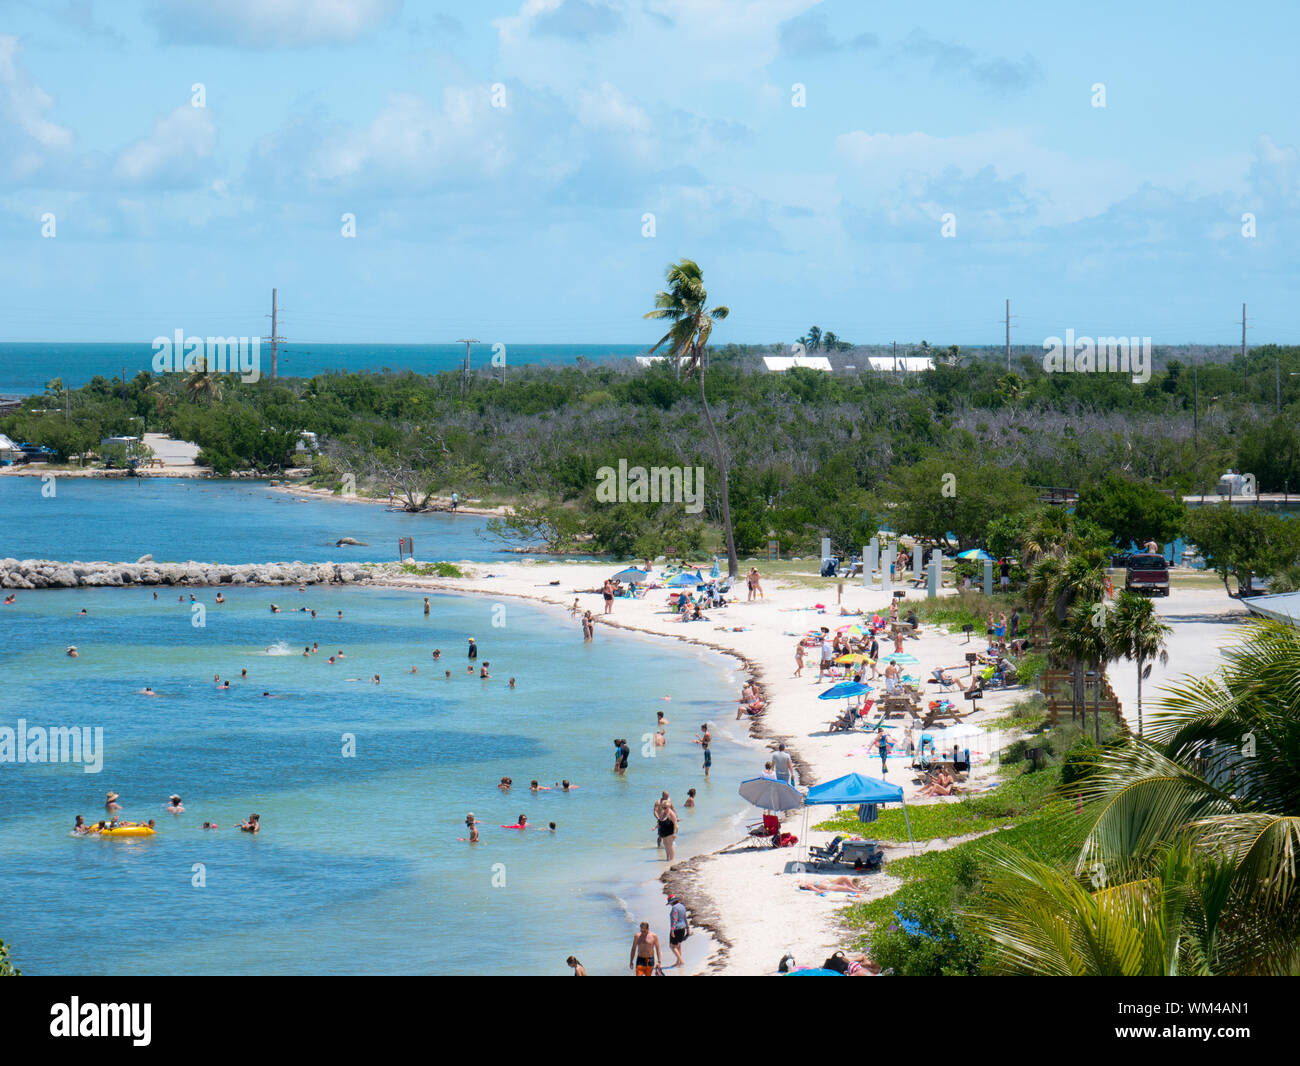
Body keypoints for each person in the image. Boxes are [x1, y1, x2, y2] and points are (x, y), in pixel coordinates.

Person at [667, 894, 690, 967]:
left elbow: (674, 919)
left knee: (672, 946)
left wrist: (672, 930)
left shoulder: (674, 908)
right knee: (678, 945)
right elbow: (685, 918)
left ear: (672, 902)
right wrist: (688, 928)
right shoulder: (682, 906)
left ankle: (681, 961)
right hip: (683, 928)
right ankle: (678, 962)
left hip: (676, 929)